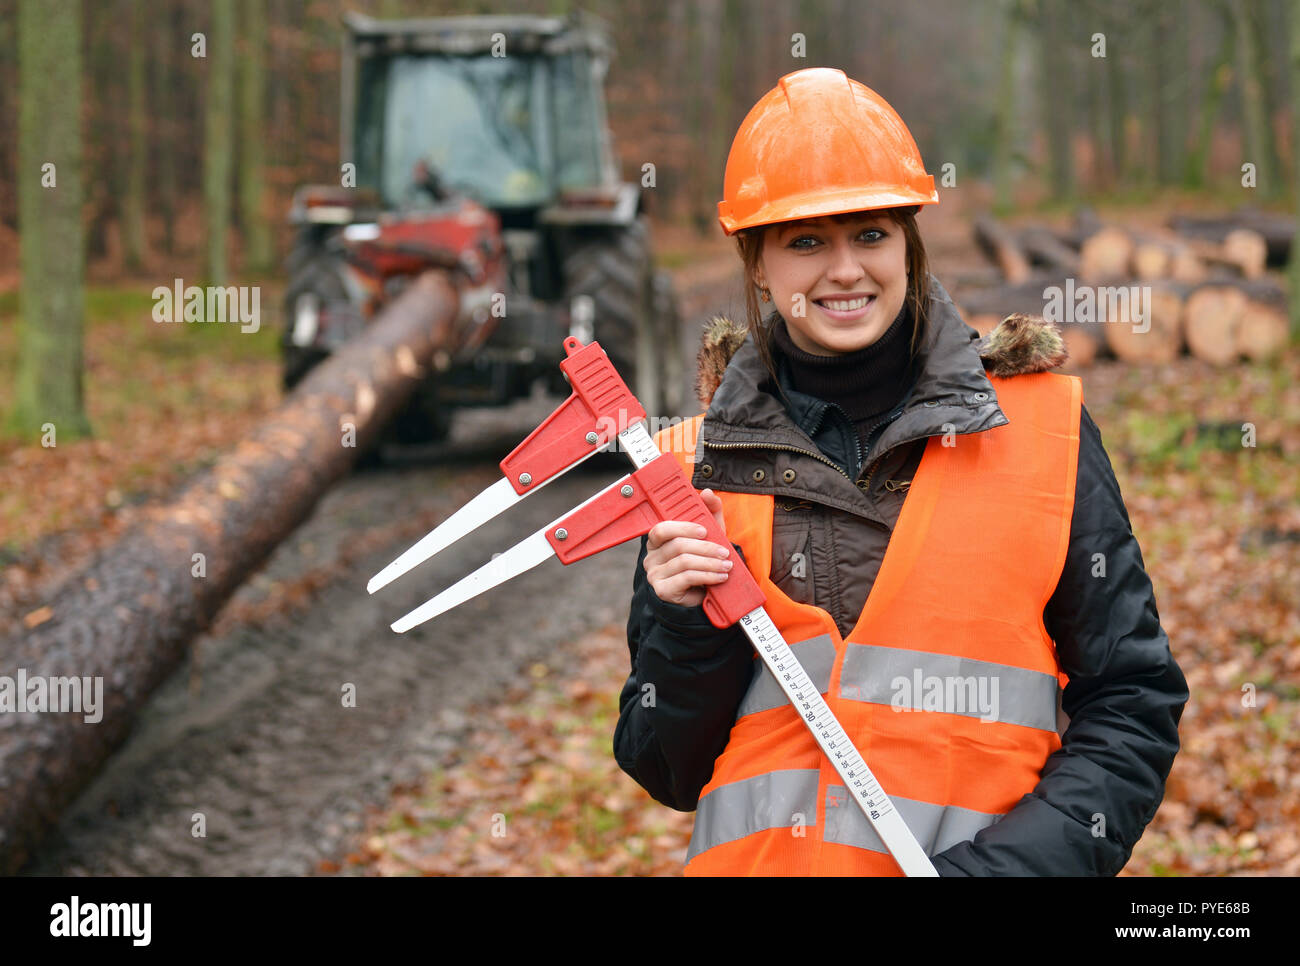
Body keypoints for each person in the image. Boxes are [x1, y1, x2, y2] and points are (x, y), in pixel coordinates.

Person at [613, 68, 1188, 876]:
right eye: (807, 240)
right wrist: (682, 631)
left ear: (909, 247)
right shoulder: (694, 470)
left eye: (872, 234)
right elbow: (665, 767)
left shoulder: (1042, 431)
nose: (845, 269)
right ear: (757, 264)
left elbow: (1132, 702)